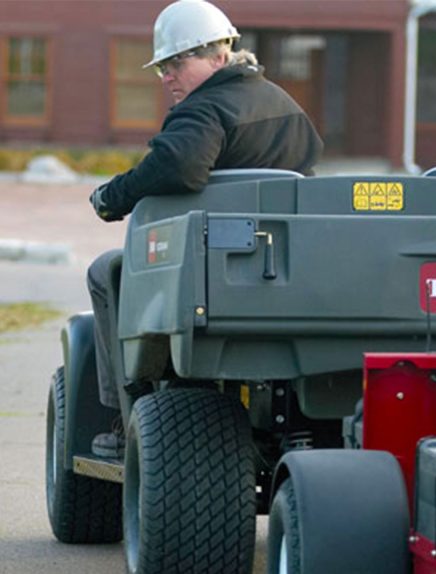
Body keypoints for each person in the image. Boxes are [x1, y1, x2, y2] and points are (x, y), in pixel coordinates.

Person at [87, 0, 323, 457]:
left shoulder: (203, 109)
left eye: (177, 62)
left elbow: (178, 166)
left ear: (219, 56)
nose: (168, 76)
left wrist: (110, 197)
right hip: (284, 270)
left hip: (212, 266)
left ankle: (126, 414)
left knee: (105, 272)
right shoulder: (288, 107)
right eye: (163, 68)